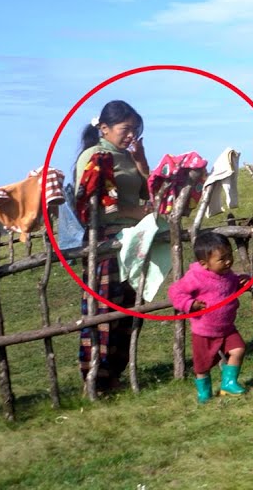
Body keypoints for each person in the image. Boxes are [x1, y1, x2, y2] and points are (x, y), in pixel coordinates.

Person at [72, 99, 151, 392]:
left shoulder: (128, 156)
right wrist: (135, 213)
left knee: (127, 308)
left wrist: (142, 162)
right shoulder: (95, 156)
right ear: (104, 128)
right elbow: (91, 204)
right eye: (125, 129)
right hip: (104, 241)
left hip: (132, 241)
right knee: (103, 309)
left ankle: (115, 375)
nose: (130, 135)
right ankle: (95, 378)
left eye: (135, 129)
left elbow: (149, 190)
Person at [167, 232, 251, 403]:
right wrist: (189, 304)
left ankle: (228, 384)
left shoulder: (227, 274)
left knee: (238, 349)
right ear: (204, 264)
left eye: (230, 256)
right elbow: (175, 291)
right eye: (222, 259)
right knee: (202, 366)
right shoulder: (196, 277)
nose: (228, 261)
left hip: (227, 327)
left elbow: (230, 287)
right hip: (204, 330)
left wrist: (242, 282)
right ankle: (204, 394)